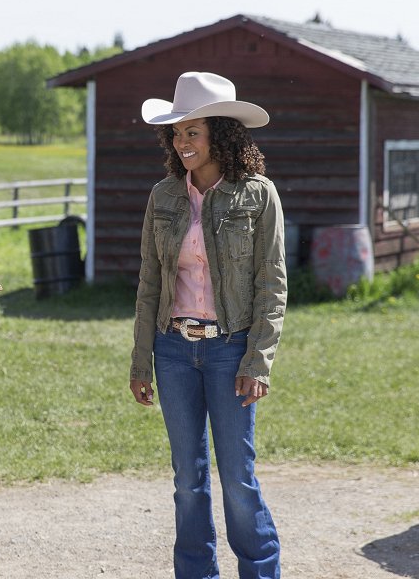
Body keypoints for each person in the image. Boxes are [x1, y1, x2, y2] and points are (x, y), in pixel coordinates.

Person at [129, 72, 286, 578]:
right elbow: (149, 284)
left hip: (231, 351)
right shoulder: (164, 196)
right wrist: (141, 361)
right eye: (177, 133)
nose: (182, 142)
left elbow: (272, 285)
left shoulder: (258, 196)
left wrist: (258, 360)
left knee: (238, 477)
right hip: (173, 351)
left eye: (192, 132)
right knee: (187, 480)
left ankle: (260, 570)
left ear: (221, 134)